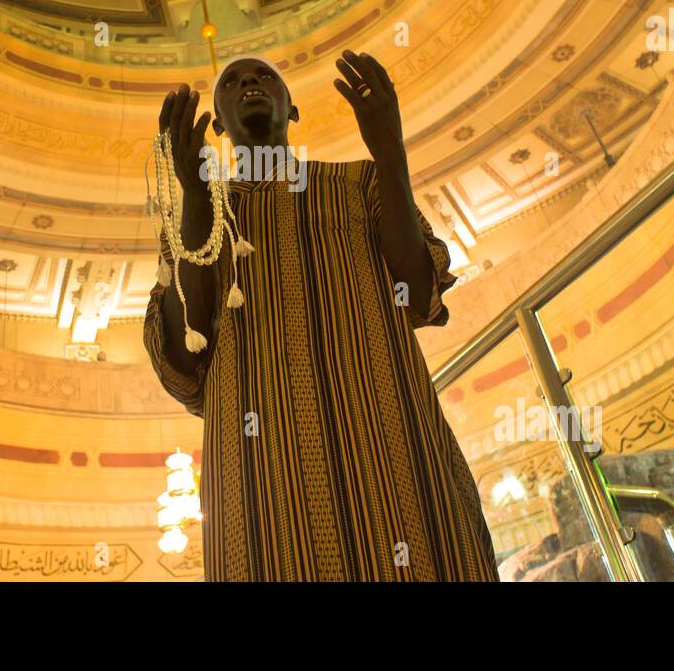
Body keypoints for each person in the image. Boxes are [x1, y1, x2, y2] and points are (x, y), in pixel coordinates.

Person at [143, 50, 499, 581]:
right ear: (217, 124)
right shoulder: (202, 217)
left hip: (388, 439)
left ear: (293, 110)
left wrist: (390, 154)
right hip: (260, 473)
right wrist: (196, 197)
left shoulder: (359, 183)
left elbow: (418, 291)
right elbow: (181, 356)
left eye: (264, 76)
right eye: (233, 82)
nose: (250, 84)